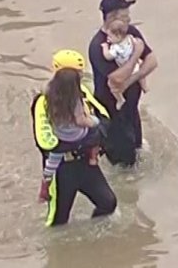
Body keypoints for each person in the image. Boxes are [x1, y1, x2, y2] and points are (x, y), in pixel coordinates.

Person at [30, 49, 117, 227]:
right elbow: (46, 142)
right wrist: (87, 138)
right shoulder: (42, 101)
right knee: (58, 222)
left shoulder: (82, 92)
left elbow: (104, 117)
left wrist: (93, 135)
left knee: (108, 203)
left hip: (85, 164)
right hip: (61, 169)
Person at [88, 0, 158, 166]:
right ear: (111, 18)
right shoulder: (98, 46)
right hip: (113, 116)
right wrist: (136, 55)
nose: (129, 19)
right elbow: (117, 79)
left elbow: (152, 61)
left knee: (138, 151)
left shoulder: (131, 32)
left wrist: (133, 79)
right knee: (125, 168)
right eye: (125, 16)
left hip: (131, 109)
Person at [100, 16, 148, 108]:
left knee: (111, 84)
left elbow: (108, 56)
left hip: (126, 69)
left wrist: (105, 47)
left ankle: (120, 99)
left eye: (110, 36)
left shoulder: (116, 48)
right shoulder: (129, 38)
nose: (108, 39)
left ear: (118, 36)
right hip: (136, 66)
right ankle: (144, 86)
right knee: (141, 70)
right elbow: (137, 42)